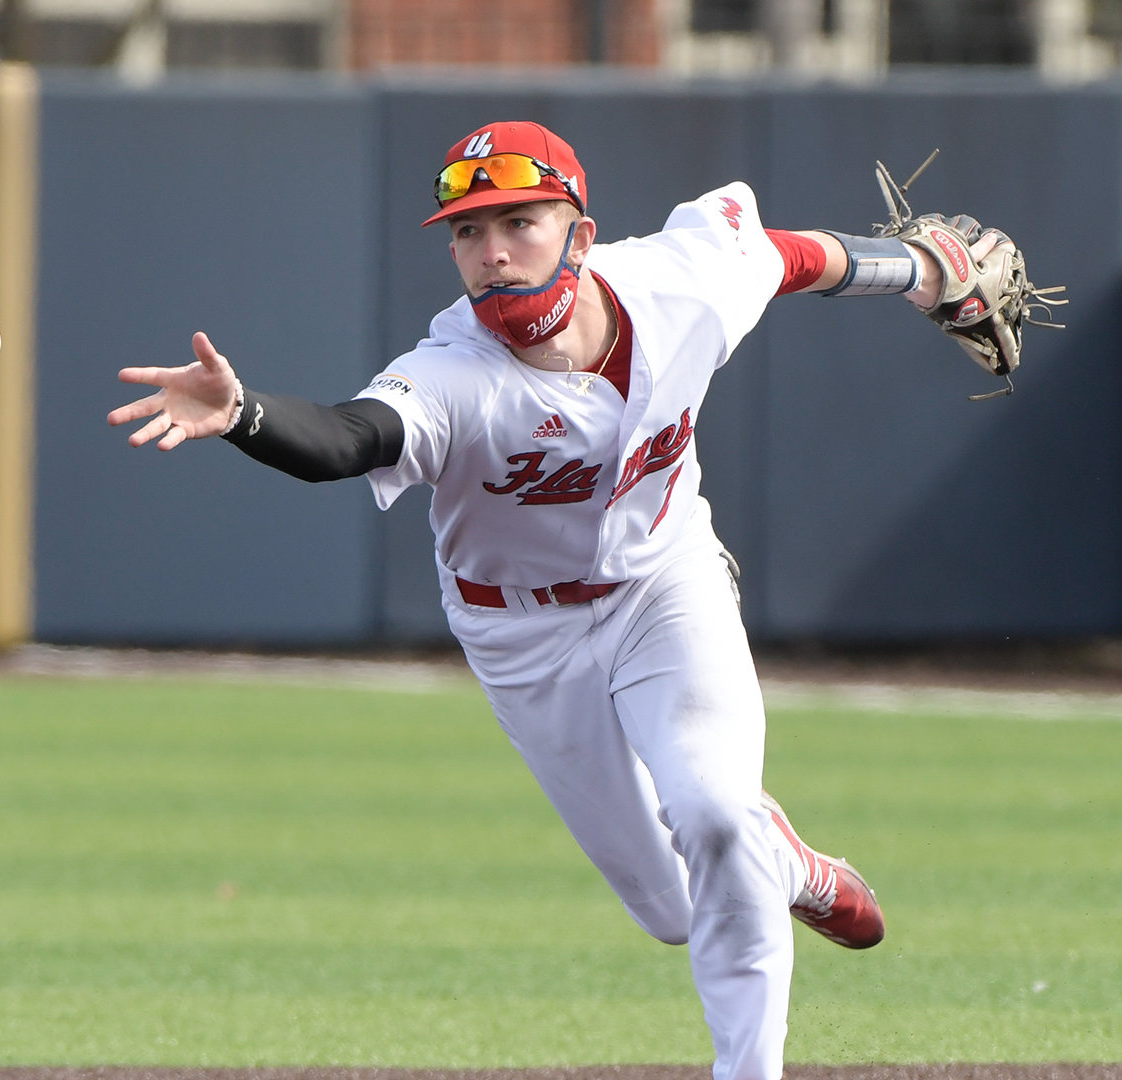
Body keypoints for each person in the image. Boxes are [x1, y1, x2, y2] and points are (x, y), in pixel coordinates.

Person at [107, 121, 1000, 1080]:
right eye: (467, 232)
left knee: (709, 811)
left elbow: (795, 259)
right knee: (674, 908)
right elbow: (347, 438)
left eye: (520, 222)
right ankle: (794, 868)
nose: (491, 253)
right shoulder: (453, 373)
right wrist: (244, 415)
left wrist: (917, 268)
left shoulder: (680, 280)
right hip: (520, 630)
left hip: (665, 582)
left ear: (580, 234)